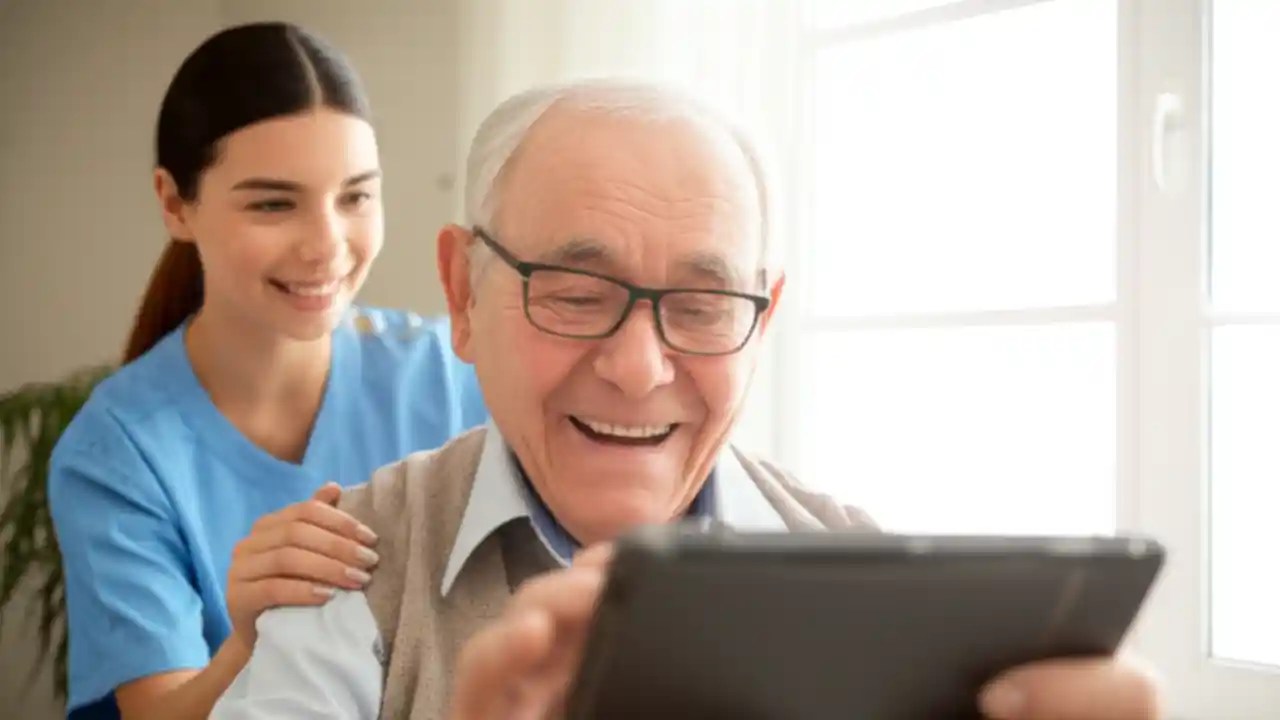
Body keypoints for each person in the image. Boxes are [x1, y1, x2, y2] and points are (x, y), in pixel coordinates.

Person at [210, 80, 1163, 720]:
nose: (638, 367)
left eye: (704, 308)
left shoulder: (863, 579)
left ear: (764, 316)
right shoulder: (346, 570)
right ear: (463, 295)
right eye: (576, 296)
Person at [47, 22, 488, 720]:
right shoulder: (115, 453)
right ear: (174, 204)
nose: (326, 245)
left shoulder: (456, 374)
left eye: (356, 197)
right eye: (273, 203)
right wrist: (249, 635)